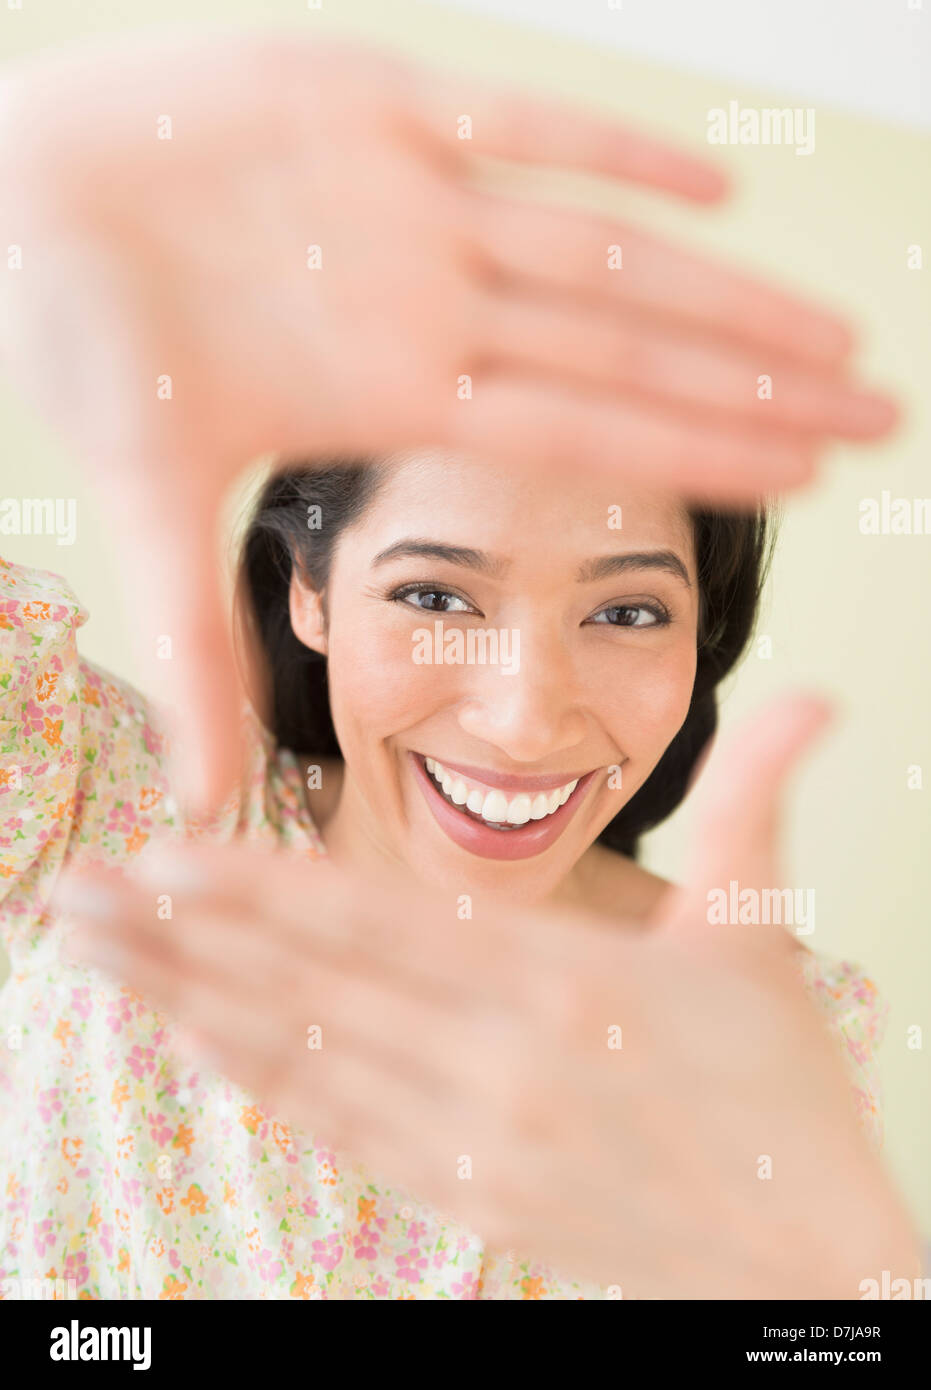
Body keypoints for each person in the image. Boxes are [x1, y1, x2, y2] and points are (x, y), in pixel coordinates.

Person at [0, 26, 919, 1299]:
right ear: (310, 589)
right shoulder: (83, 805)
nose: (525, 713)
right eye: (434, 593)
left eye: (627, 614)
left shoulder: (757, 1028)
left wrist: (836, 1281)